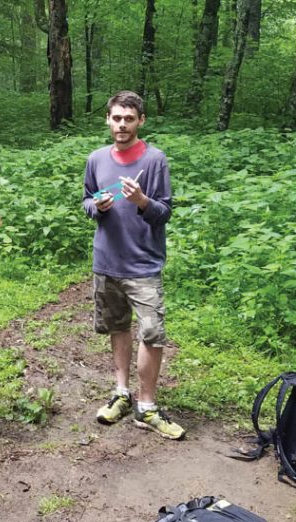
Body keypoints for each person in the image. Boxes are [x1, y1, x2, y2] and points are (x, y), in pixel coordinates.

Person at [85, 90, 184, 440]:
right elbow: (86, 200)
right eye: (116, 118)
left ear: (141, 121)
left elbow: (164, 213)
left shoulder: (155, 160)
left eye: (129, 118)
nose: (122, 125)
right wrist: (98, 206)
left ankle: (148, 406)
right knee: (118, 328)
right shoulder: (96, 159)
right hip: (107, 262)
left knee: (153, 333)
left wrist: (142, 200)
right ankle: (121, 393)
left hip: (143, 264)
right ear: (108, 120)